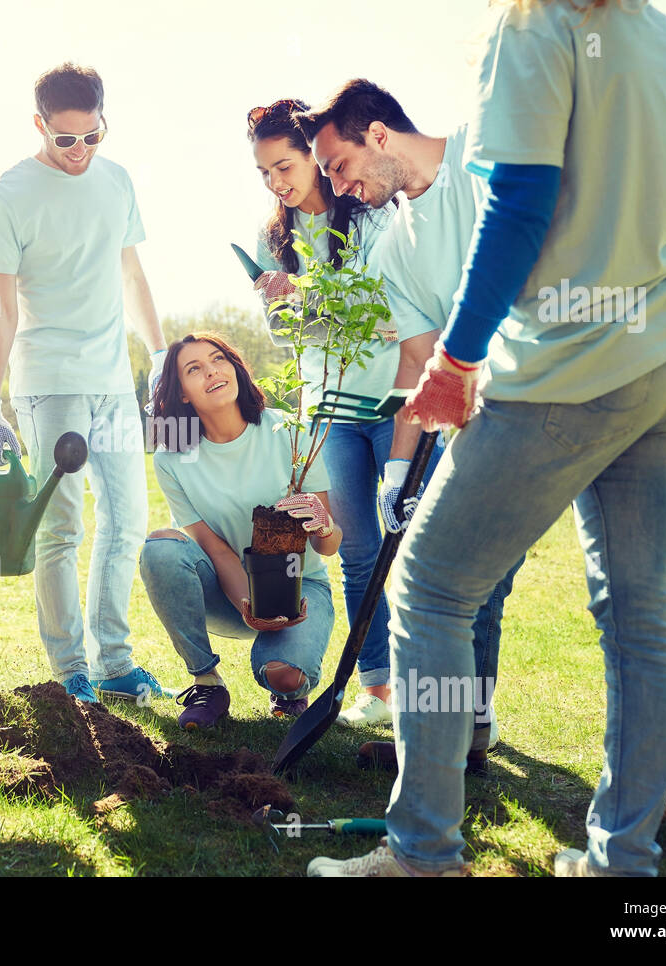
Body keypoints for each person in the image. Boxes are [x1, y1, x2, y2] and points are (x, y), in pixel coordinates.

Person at [304, 0, 666, 876]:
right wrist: (658, 244)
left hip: (569, 369)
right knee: (641, 619)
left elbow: (519, 202)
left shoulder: (529, 29)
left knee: (431, 592)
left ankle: (422, 853)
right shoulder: (657, 31)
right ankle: (621, 861)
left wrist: (458, 356)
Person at [295, 80, 529, 762]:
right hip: (475, 425)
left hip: (549, 392)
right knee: (463, 583)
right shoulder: (396, 246)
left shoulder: (480, 158)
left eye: (338, 166)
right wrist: (399, 468)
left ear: (377, 135)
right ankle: (461, 736)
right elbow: (415, 366)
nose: (336, 186)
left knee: (465, 578)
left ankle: (451, 741)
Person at [0, 63, 170, 704]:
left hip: (113, 382)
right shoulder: (9, 194)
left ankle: (114, 662)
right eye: (66, 140)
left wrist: (161, 354)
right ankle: (70, 674)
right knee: (62, 527)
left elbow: (132, 277)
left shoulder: (116, 182)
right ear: (40, 125)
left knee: (127, 519)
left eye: (93, 136)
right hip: (49, 380)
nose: (81, 151)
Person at [246, 97, 417, 731]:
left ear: (318, 159)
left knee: (421, 552)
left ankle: (442, 694)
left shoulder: (373, 213)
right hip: (329, 414)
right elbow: (291, 338)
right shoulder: (277, 238)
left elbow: (391, 312)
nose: (277, 183)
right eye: (265, 173)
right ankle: (377, 688)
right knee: (359, 553)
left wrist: (311, 297)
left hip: (396, 405)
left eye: (285, 166)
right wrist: (281, 302)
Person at [140, 333, 340, 727]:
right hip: (226, 590)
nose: (211, 371)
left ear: (234, 367)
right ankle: (206, 681)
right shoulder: (173, 459)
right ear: (181, 393)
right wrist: (251, 608)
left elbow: (328, 546)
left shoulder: (291, 432)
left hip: (301, 588)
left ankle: (286, 691)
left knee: (285, 674)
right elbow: (214, 549)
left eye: (218, 360)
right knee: (160, 548)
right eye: (193, 369)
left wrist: (325, 523)